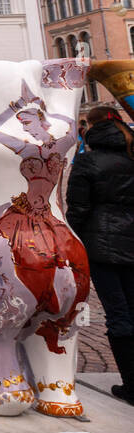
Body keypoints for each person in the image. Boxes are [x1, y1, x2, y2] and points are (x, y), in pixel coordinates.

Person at [66, 106, 134, 404]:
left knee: (119, 314)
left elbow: (78, 210)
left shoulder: (87, 162)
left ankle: (131, 384)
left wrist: (73, 239)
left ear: (90, 128)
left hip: (103, 246)